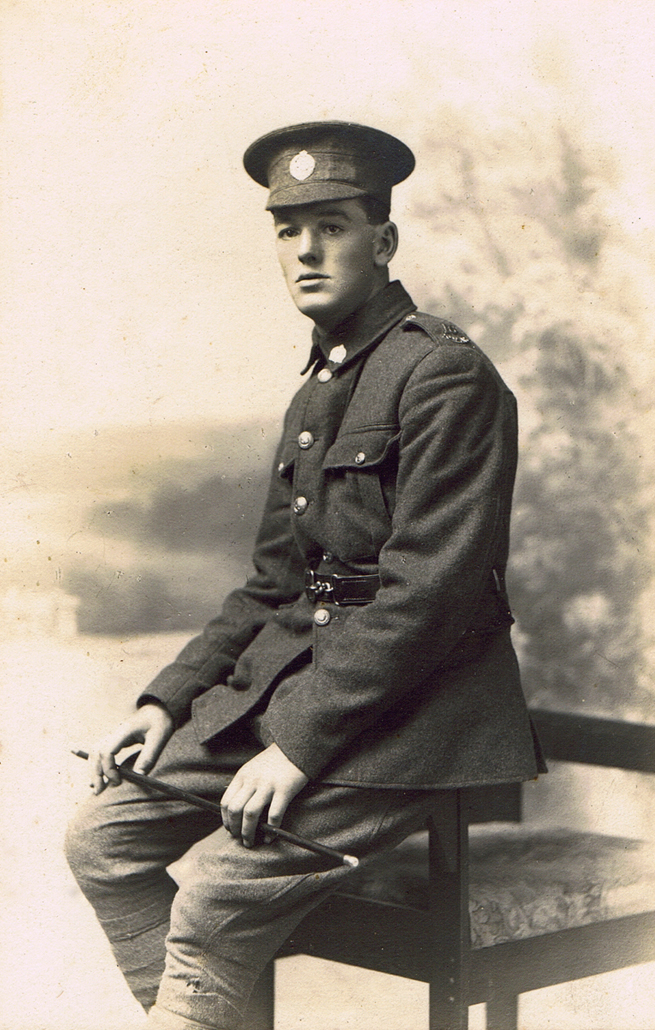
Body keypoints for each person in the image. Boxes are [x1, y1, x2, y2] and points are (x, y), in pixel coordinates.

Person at [65, 121, 545, 1030]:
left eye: (331, 224)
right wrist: (167, 700)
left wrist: (298, 747)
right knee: (103, 838)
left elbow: (428, 595)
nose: (305, 250)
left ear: (384, 241)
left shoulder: (443, 374)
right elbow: (270, 587)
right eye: (287, 230)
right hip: (326, 692)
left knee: (214, 890)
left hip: (420, 714)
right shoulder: (321, 387)